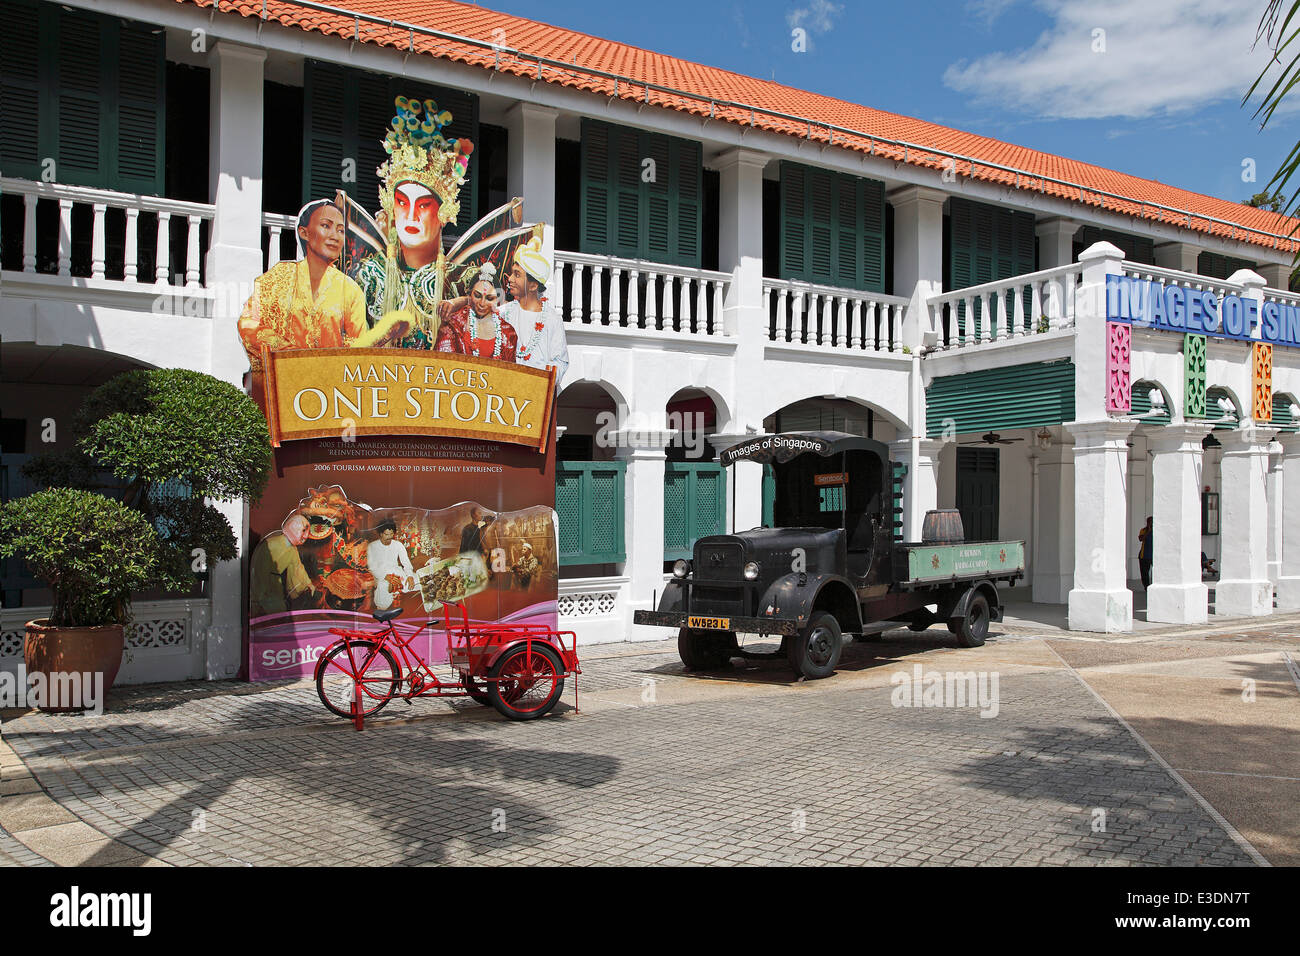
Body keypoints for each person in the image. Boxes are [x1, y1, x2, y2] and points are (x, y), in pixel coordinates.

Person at [237, 200, 369, 374]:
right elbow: (248, 323)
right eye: (325, 226)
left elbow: (359, 347)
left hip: (329, 385)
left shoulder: (350, 290)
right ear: (304, 232)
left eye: (340, 230)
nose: (334, 236)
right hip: (284, 379)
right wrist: (291, 354)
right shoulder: (278, 277)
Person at [499, 238, 569, 383]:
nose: (510, 279)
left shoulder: (552, 319)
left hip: (536, 394)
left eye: (517, 275)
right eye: (512, 273)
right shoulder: (503, 313)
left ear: (533, 286)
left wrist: (538, 378)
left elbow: (560, 362)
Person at [434, 264, 517, 360]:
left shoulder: (508, 332)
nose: (482, 303)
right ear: (469, 295)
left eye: (489, 298)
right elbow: (443, 365)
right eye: (477, 296)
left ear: (496, 300)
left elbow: (510, 372)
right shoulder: (453, 325)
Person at [249, 514, 316, 616]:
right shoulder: (270, 544)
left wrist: (309, 586)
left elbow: (297, 570)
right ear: (294, 528)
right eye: (303, 531)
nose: (306, 536)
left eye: (307, 532)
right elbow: (260, 573)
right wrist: (258, 599)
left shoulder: (292, 549)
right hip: (263, 590)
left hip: (275, 589)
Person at [367, 519, 415, 612]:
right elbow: (372, 566)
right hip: (380, 574)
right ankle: (382, 611)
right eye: (386, 534)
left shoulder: (398, 545)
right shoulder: (372, 546)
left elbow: (406, 562)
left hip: (396, 571)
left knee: (415, 582)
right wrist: (385, 576)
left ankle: (399, 607)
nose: (389, 537)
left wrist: (410, 575)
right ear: (380, 534)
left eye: (391, 534)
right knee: (383, 587)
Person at [1138, 516, 1153, 590]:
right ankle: (1146, 587)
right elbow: (1140, 539)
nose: (1150, 523)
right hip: (1144, 555)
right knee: (1144, 573)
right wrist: (1148, 531)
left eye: (1152, 522)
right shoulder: (1143, 530)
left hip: (1153, 556)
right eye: (1149, 522)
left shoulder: (1157, 530)